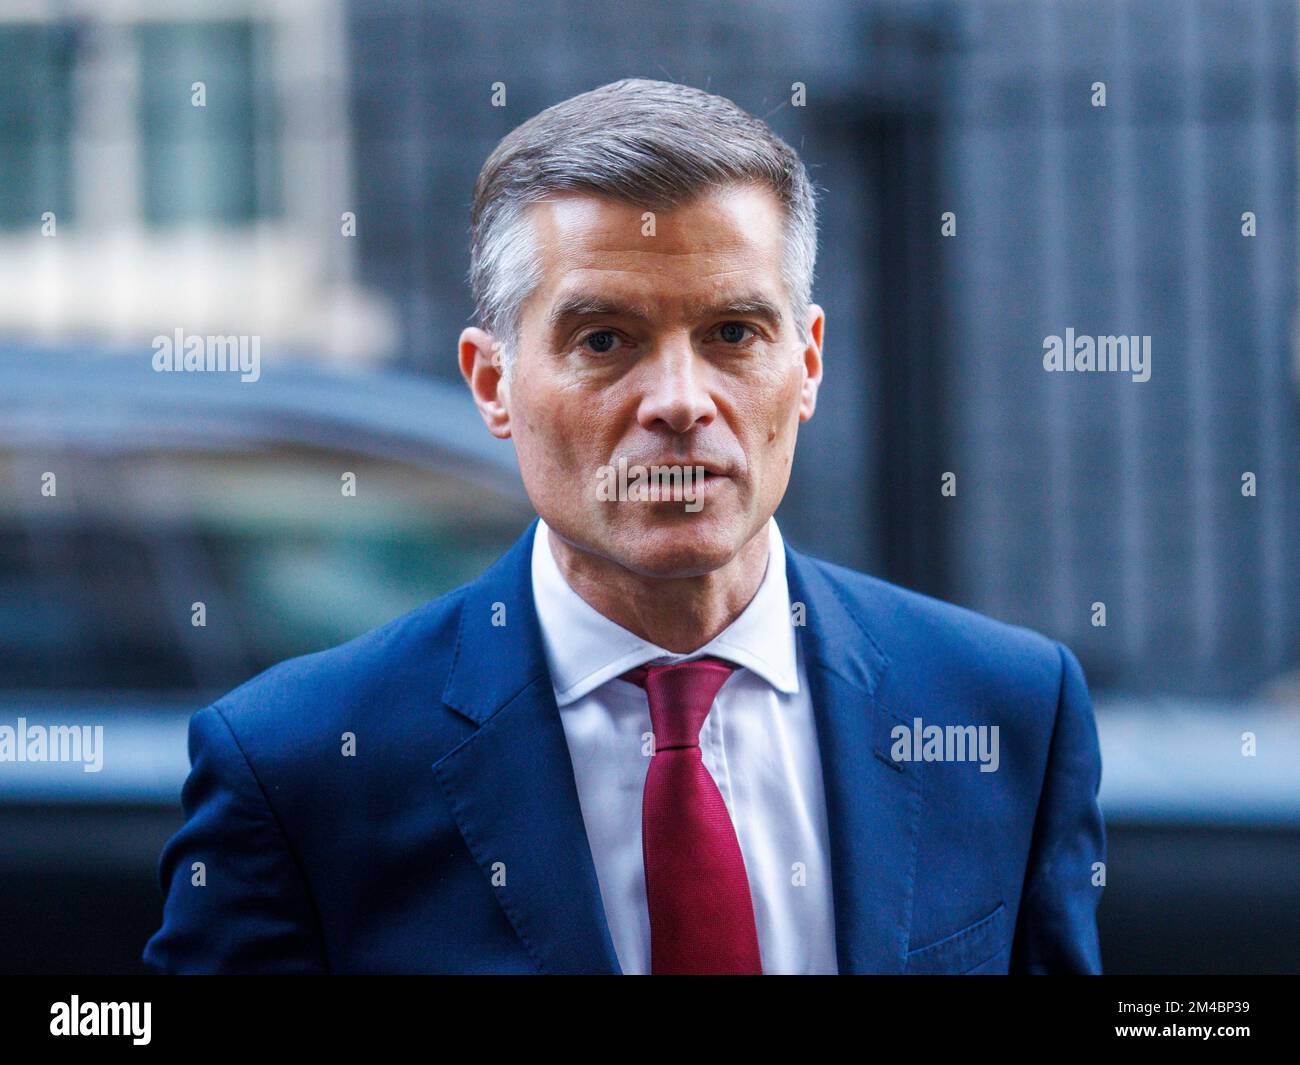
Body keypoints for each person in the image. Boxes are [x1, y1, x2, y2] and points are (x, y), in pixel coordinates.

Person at [143, 78, 1104, 975]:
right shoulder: (302, 766)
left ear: (807, 363)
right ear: (493, 384)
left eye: (733, 333)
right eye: (605, 340)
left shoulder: (1006, 712)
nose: (681, 401)